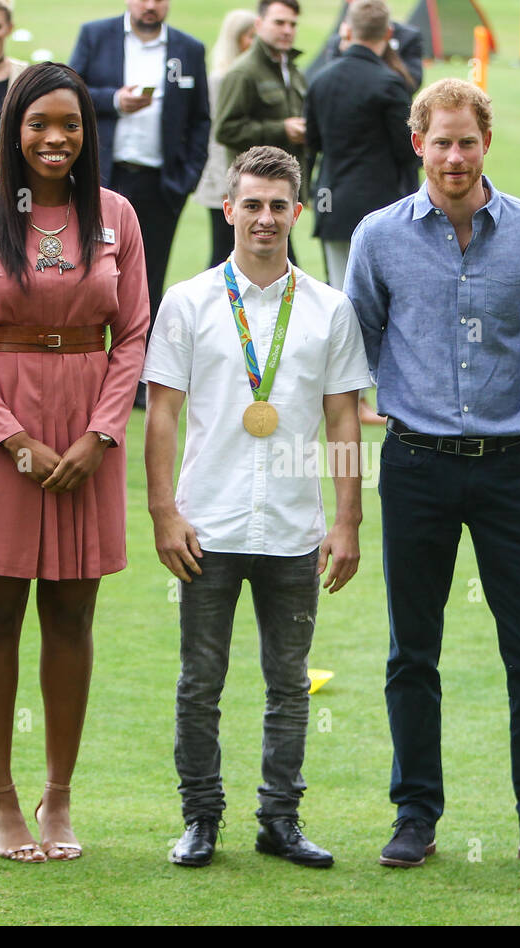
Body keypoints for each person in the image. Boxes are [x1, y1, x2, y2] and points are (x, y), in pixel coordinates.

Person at [346, 78, 520, 873]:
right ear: (417, 142)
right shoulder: (378, 236)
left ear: (485, 143)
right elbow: (364, 333)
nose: (453, 156)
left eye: (467, 141)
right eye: (440, 141)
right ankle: (415, 814)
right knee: (411, 651)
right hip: (416, 464)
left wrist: (495, 403)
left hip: (509, 469)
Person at [0, 62, 148, 863]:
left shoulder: (117, 217)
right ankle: (1, 798)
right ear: (12, 130)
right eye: (38, 124)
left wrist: (100, 433)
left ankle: (59, 797)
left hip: (89, 435)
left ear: (88, 133)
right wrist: (12, 439)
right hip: (2, 435)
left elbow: (132, 334)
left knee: (71, 614)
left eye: (70, 124)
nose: (55, 139)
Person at [144, 145, 369, 869]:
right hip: (206, 523)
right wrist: (162, 513)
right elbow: (161, 417)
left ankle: (280, 818)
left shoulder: (330, 308)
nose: (265, 218)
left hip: (294, 528)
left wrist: (347, 520)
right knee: (199, 682)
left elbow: (342, 420)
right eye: (252, 204)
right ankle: (201, 819)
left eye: (279, 205)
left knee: (289, 684)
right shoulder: (188, 301)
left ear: (297, 212)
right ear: (228, 209)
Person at [68, 0, 210, 332]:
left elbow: (200, 119)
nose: (150, 6)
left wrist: (186, 180)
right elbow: (69, 90)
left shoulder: (188, 49)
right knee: (88, 280)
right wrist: (114, 101)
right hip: (103, 180)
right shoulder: (96, 35)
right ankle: (88, 370)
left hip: (161, 187)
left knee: (148, 288)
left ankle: (140, 382)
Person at [304, 0, 413, 289]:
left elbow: (311, 144)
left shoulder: (320, 80)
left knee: (340, 292)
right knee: (383, 294)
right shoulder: (390, 83)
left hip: (332, 200)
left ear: (348, 30)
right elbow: (408, 150)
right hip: (381, 205)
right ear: (388, 32)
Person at [214, 0, 309, 247]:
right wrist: (282, 129)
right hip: (251, 190)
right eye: (279, 22)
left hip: (284, 186)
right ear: (259, 24)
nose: (287, 30)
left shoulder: (292, 70)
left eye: (292, 24)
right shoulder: (243, 72)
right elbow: (226, 130)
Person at [194, 9, 255, 269]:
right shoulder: (221, 78)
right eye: (252, 36)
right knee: (222, 250)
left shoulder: (247, 76)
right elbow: (217, 137)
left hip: (237, 175)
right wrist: (224, 181)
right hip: (222, 177)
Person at [305, 0, 423, 92]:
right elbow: (333, 85)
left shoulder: (407, 36)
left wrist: (384, 48)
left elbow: (412, 83)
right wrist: (348, 50)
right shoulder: (339, 41)